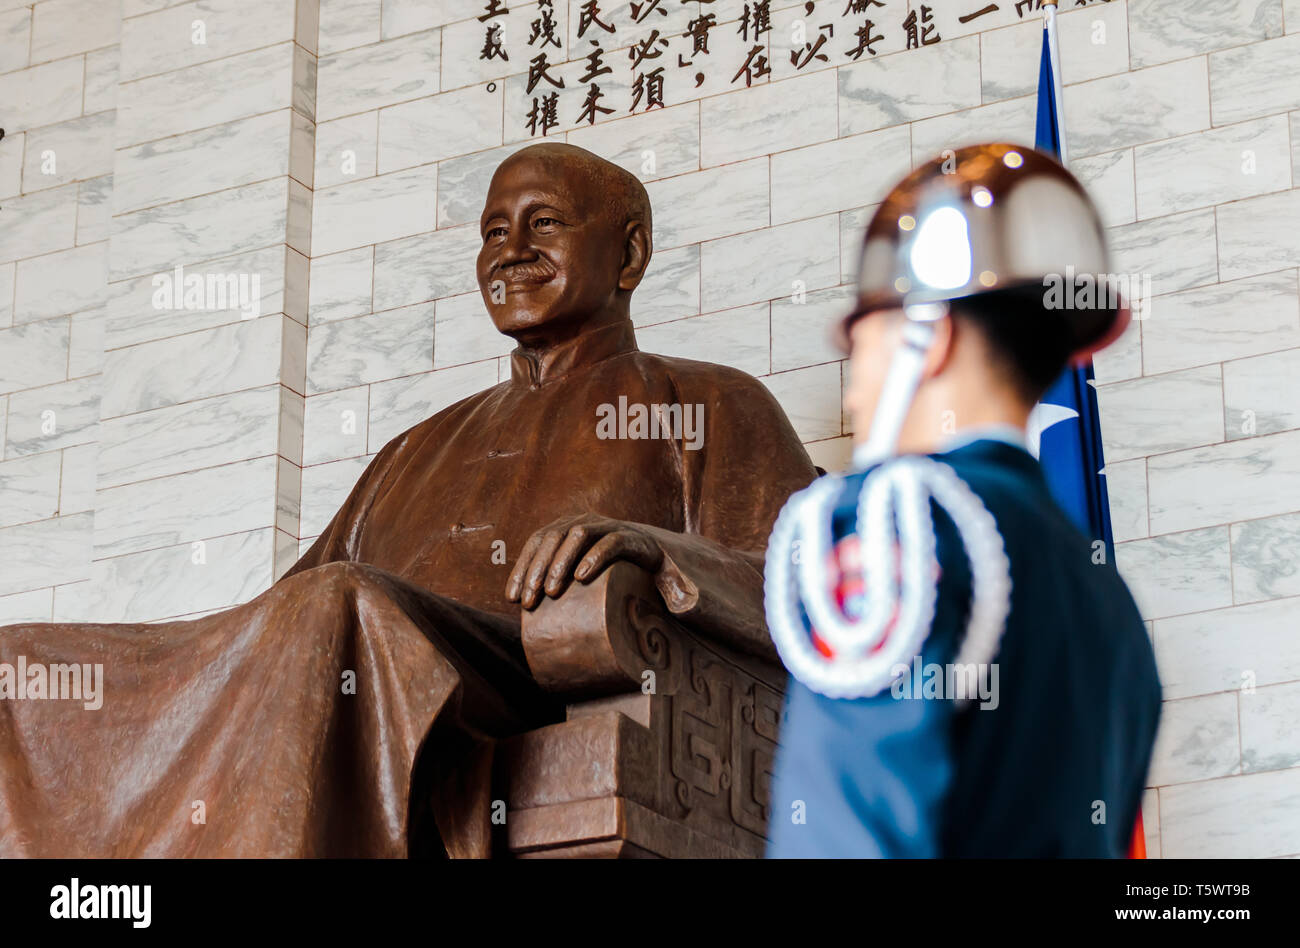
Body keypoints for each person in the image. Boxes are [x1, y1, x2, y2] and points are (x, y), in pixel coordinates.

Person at [0, 143, 815, 857]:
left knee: (338, 606)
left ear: (628, 254)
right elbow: (270, 622)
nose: (512, 251)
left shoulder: (702, 403)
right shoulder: (413, 449)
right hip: (370, 658)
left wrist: (652, 548)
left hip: (531, 676)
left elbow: (804, 586)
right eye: (494, 232)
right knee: (21, 669)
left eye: (546, 223)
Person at [764, 143, 1161, 858]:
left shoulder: (902, 524)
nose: (852, 390)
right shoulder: (1112, 606)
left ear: (931, 336)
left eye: (860, 346)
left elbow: (847, 830)